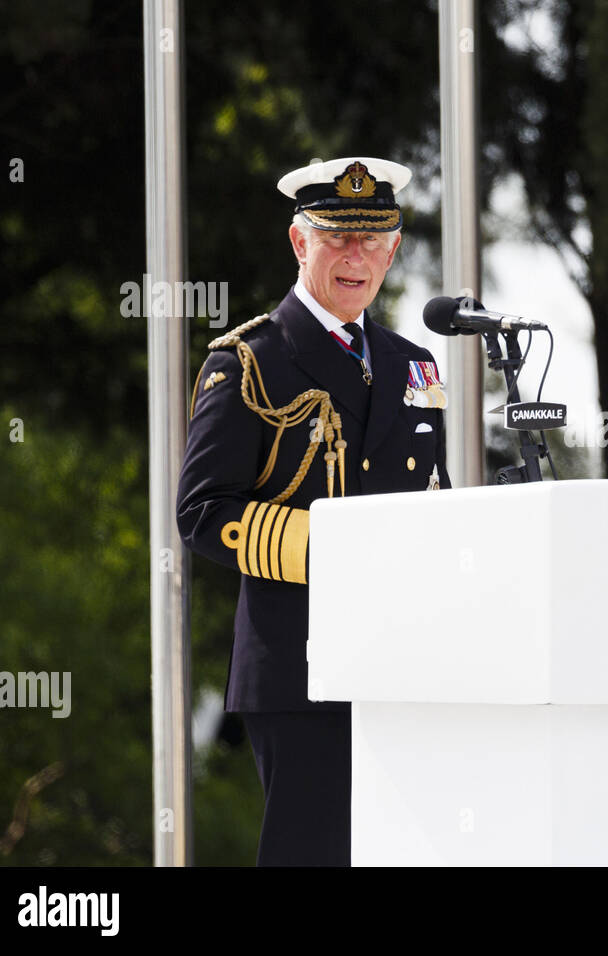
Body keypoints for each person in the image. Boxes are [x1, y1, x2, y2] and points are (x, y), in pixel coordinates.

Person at [177, 156, 451, 866]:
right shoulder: (248, 363)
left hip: (403, 660)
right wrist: (339, 549)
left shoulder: (413, 364)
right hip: (298, 666)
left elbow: (432, 502)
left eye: (373, 239)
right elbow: (201, 510)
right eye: (338, 237)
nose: (356, 256)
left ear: (393, 249)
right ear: (301, 244)